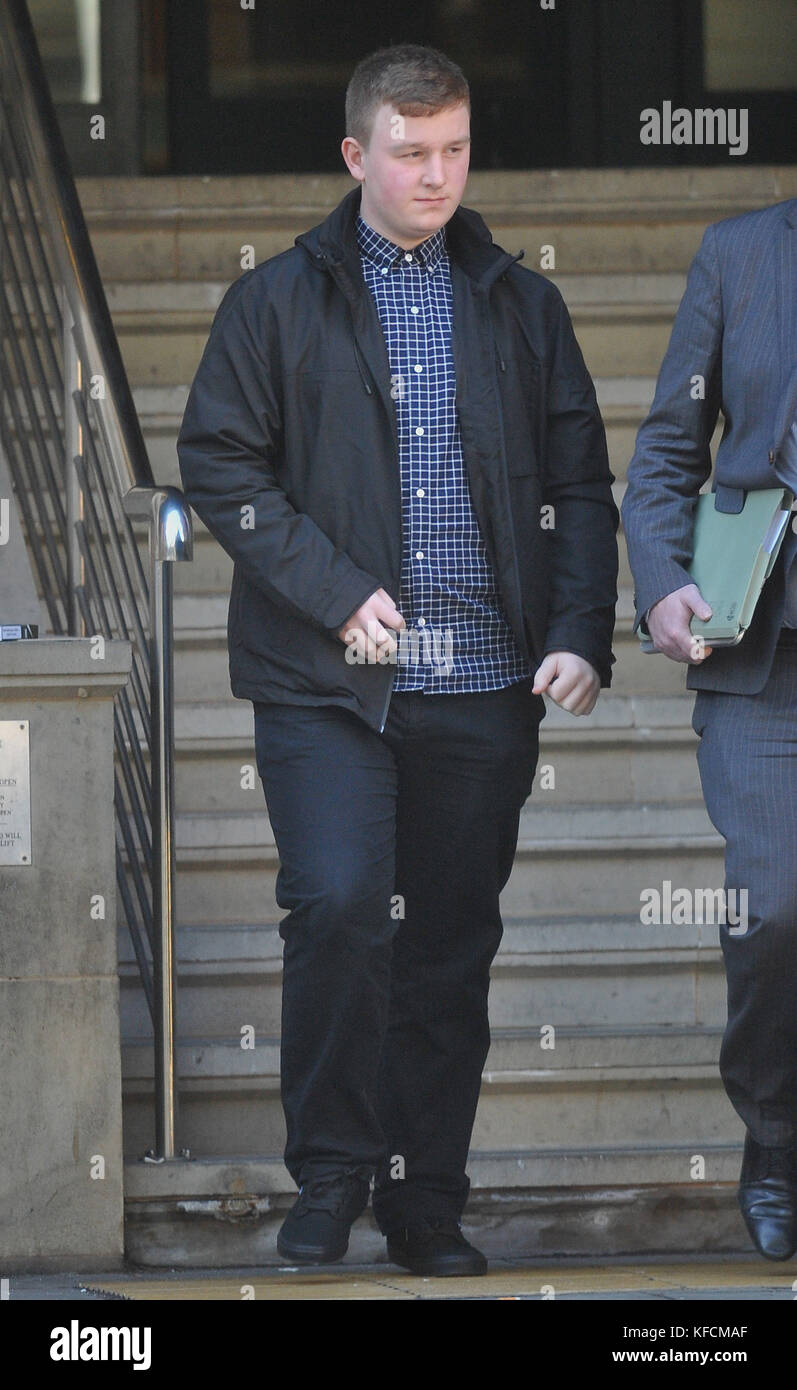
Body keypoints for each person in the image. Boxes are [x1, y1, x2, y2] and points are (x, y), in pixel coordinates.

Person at [177, 42, 618, 1277]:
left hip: (481, 686)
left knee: (446, 946)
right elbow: (219, 459)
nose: (436, 174)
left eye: (454, 150)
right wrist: (331, 591)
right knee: (335, 910)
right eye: (410, 151)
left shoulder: (521, 304)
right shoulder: (273, 301)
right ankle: (328, 1179)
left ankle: (426, 1198)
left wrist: (581, 631)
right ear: (354, 154)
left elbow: (580, 485)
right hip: (327, 687)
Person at [622, 195, 797, 1261]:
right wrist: (658, 583)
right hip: (759, 652)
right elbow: (664, 452)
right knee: (771, 910)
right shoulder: (737, 255)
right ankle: (773, 1142)